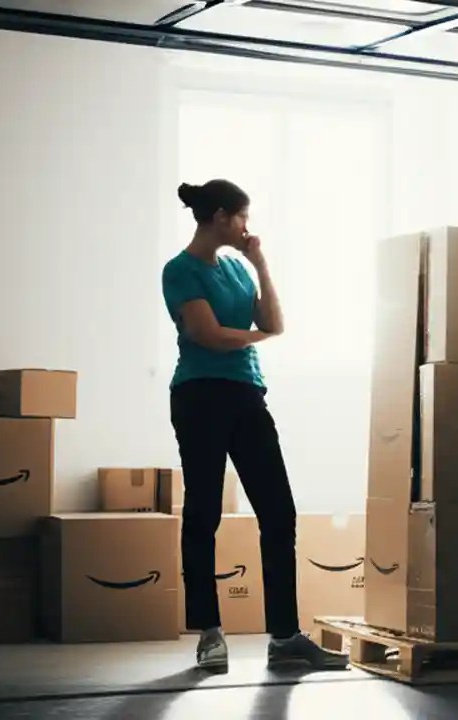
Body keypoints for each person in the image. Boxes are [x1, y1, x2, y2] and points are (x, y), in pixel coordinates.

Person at [162, 179, 348, 671]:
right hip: (199, 395)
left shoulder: (240, 270)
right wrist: (258, 335)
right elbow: (206, 335)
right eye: (243, 218)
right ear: (222, 217)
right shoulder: (179, 270)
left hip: (248, 395)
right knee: (204, 512)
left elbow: (275, 321)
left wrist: (261, 262)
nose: (248, 227)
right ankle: (209, 633)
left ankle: (285, 636)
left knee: (278, 512)